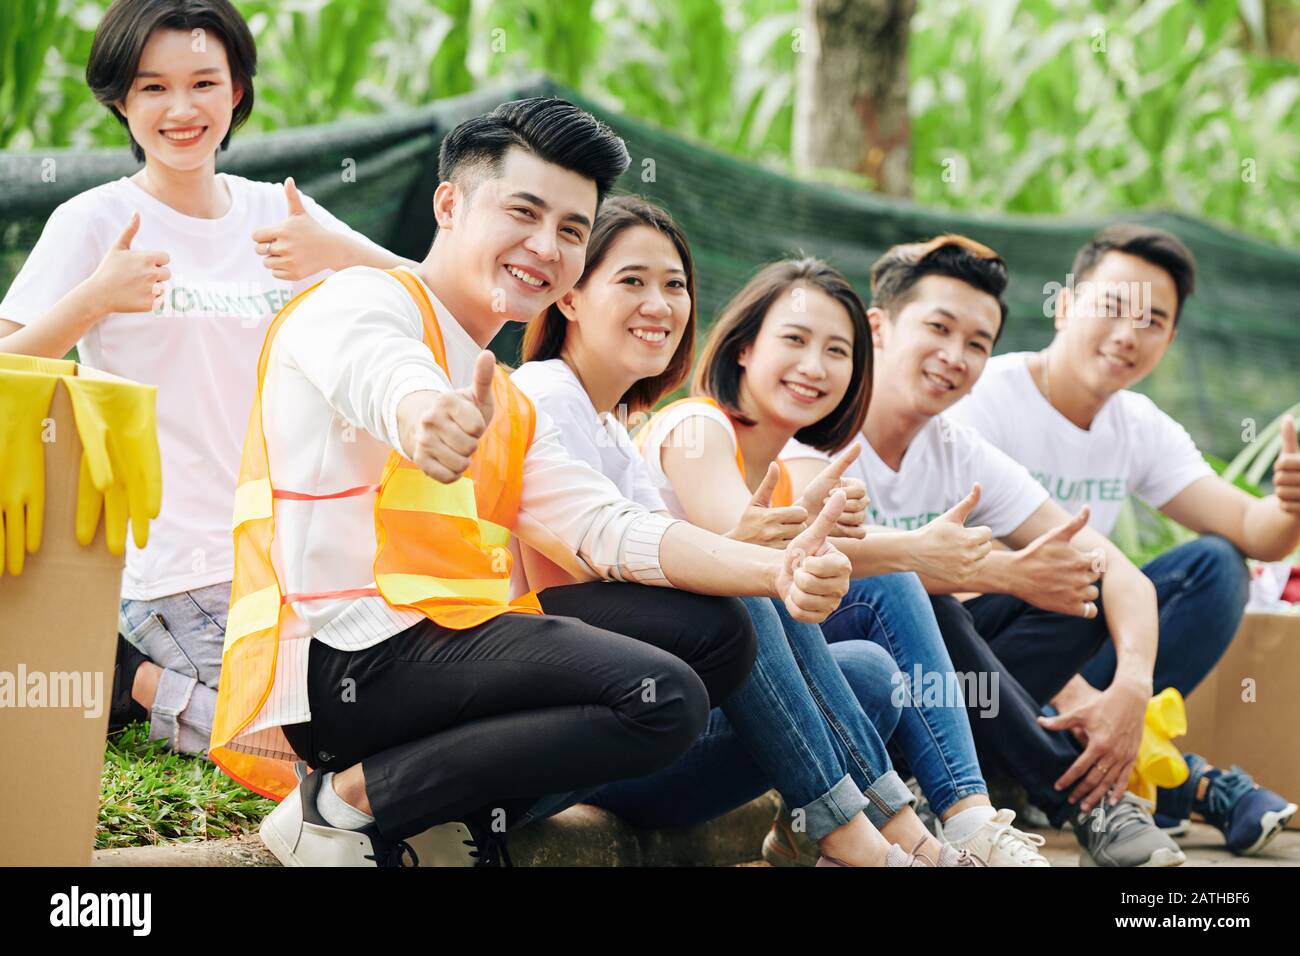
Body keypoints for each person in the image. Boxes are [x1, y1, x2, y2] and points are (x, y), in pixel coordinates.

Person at [223, 97, 872, 868]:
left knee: (722, 633)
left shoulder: (504, 394)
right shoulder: (359, 303)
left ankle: (453, 815)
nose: (545, 246)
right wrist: (424, 417)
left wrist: (778, 571)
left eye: (571, 230)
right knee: (662, 699)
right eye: (523, 212)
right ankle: (345, 803)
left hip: (441, 644)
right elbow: (384, 375)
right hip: (347, 663)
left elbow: (606, 528)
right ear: (449, 205)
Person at [511, 194, 987, 867]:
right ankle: (873, 842)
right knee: (752, 593)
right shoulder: (552, 397)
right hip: (588, 732)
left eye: (675, 285)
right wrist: (769, 555)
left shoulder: (612, 426)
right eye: (632, 281)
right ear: (569, 298)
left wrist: (765, 545)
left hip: (653, 718)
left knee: (872, 673)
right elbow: (596, 576)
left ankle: (901, 834)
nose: (660, 304)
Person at [0, 0, 411, 754]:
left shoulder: (277, 214)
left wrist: (344, 254)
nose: (181, 109)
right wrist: (93, 298)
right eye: (153, 88)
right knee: (302, 750)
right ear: (120, 100)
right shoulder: (94, 221)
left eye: (203, 83)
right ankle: (134, 677)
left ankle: (136, 677)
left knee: (393, 717)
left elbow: (427, 300)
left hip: (300, 553)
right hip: (178, 564)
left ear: (238, 93)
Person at [782, 234, 1192, 867]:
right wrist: (997, 572)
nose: (955, 356)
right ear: (879, 327)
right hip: (832, 679)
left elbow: (1122, 576)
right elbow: (807, 553)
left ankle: (1008, 792)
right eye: (939, 328)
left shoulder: (958, 449)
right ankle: (1084, 802)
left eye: (977, 344)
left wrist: (1132, 689)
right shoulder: (812, 413)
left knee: (1077, 594)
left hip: (949, 696)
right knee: (922, 593)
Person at [628, 250, 1049, 865]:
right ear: (744, 348)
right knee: (874, 582)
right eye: (795, 340)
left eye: (836, 351)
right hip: (654, 741)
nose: (814, 366)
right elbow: (739, 554)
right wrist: (914, 549)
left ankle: (957, 819)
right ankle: (912, 839)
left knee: (874, 670)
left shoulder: (801, 467)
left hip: (739, 735)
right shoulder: (695, 428)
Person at [948, 224, 1298, 855]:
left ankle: (1078, 761)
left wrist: (1290, 505)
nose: (1128, 332)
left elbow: (1254, 530)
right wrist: (1081, 694)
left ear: (1168, 339)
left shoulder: (1137, 426)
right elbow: (954, 576)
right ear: (1064, 305)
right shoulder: (982, 400)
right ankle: (1181, 784)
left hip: (1079, 654)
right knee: (1044, 586)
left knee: (1216, 567)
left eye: (1153, 320)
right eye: (1112, 306)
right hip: (981, 661)